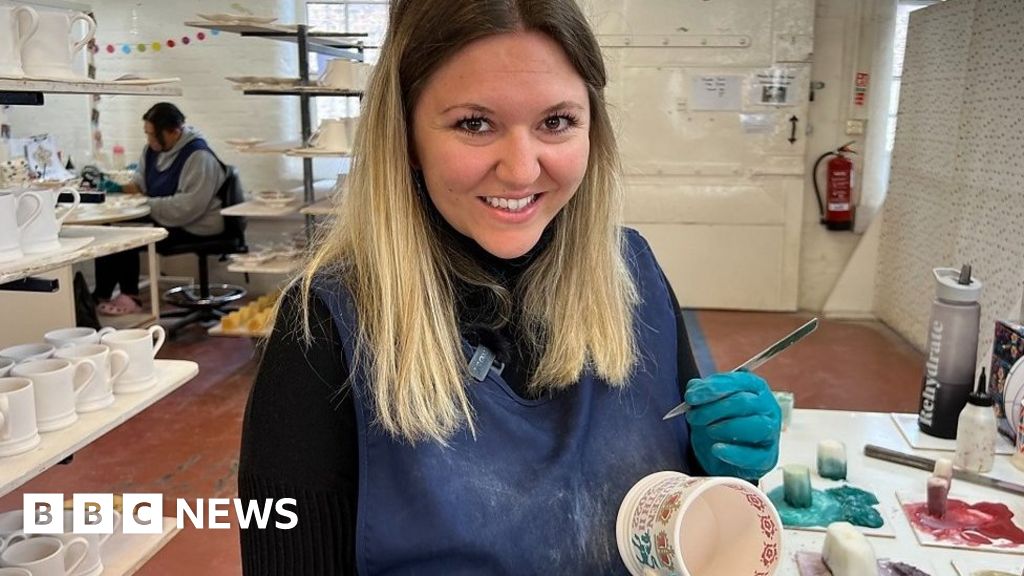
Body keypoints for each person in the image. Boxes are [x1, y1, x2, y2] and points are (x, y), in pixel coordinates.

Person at [238, 1, 781, 574]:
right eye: (475, 124)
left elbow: (682, 514)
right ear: (406, 138)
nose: (522, 170)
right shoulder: (321, 330)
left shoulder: (634, 274)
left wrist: (719, 467)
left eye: (556, 122)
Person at [93, 103, 228, 315]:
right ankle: (101, 294)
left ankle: (130, 296)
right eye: (147, 134)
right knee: (110, 230)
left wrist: (145, 204)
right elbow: (141, 184)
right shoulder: (152, 151)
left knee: (129, 234)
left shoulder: (199, 156)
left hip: (198, 225)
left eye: (153, 135)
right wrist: (118, 188)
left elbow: (188, 207)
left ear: (174, 131)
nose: (149, 140)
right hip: (169, 216)